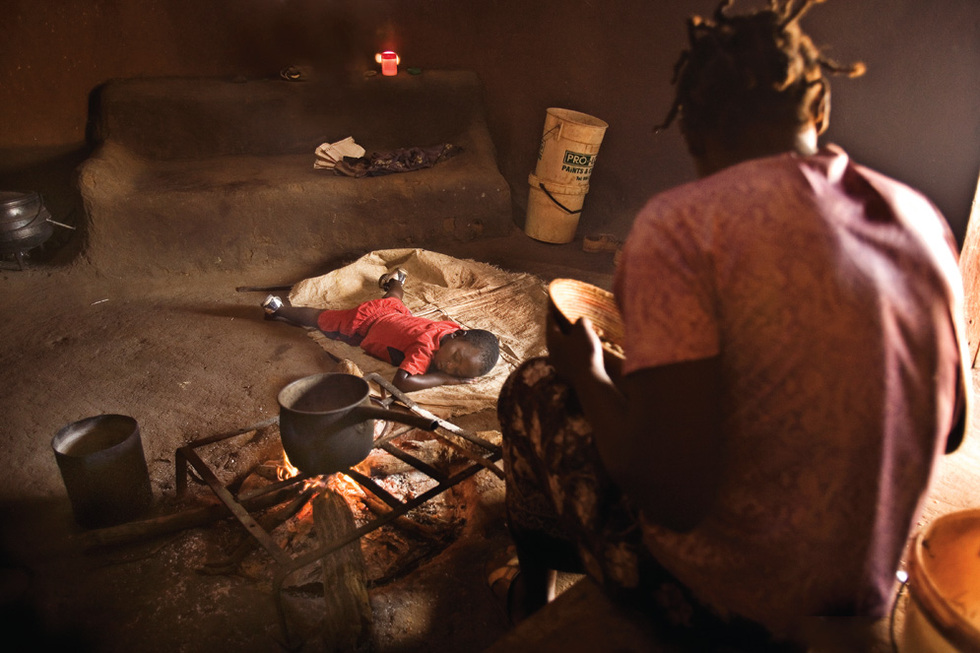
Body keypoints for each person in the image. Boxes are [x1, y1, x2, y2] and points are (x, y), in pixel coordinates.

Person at [492, 0, 970, 650]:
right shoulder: (918, 217)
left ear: (692, 134)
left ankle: (535, 586)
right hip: (865, 588)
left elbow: (669, 496)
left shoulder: (683, 228)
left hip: (726, 610)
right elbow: (950, 431)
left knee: (534, 387)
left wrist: (589, 370)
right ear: (819, 112)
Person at [263, 268, 500, 393]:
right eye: (455, 358)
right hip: (364, 324)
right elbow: (402, 382)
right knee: (322, 319)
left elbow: (461, 351)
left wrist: (458, 369)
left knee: (394, 297)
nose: (449, 366)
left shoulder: (451, 330)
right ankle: (280, 310)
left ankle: (396, 279)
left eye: (457, 371)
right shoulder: (425, 348)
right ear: (458, 336)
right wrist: (444, 379)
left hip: (395, 314)